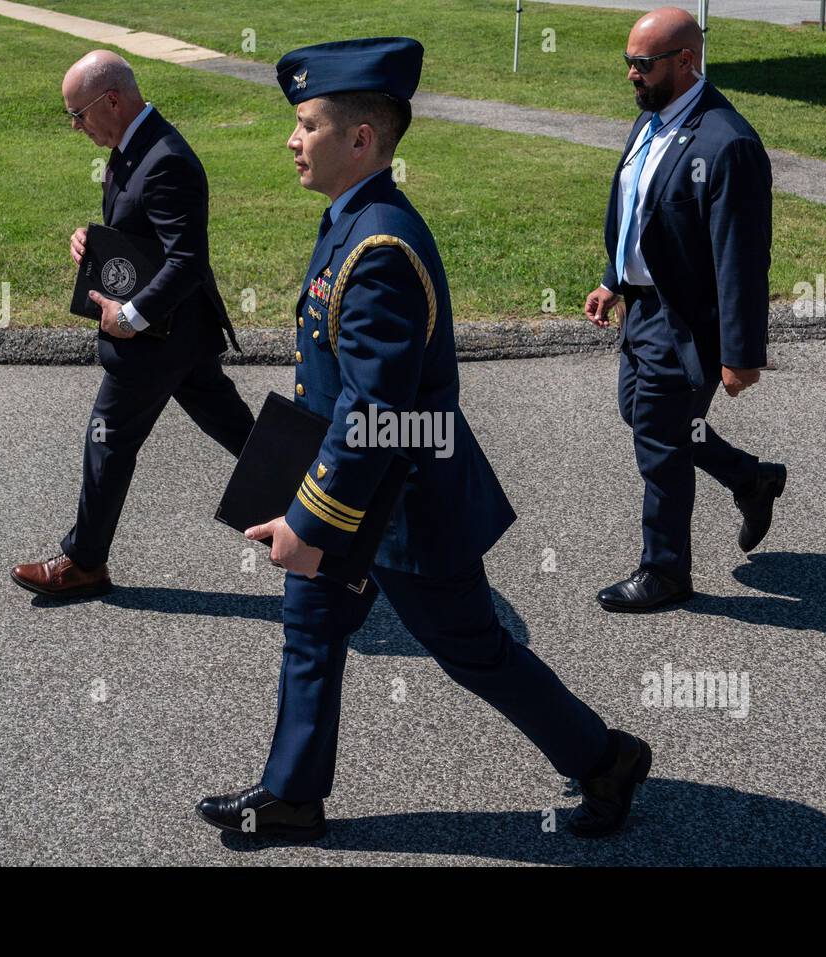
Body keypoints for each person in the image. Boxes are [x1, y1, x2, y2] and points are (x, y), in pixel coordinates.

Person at [195, 37, 651, 843]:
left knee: (473, 649)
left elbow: (378, 412)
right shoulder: (354, 220)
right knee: (309, 625)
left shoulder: (380, 250)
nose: (291, 139)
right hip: (344, 485)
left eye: (306, 124)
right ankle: (292, 792)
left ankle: (604, 756)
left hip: (403, 503)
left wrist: (308, 521)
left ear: (360, 139)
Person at [11, 51, 255, 599]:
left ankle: (83, 562)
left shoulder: (167, 159)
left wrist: (130, 315)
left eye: (78, 114)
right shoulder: (130, 147)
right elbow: (143, 234)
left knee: (108, 440)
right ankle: (338, 514)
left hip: (157, 340)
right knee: (236, 430)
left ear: (112, 101)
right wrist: (92, 242)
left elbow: (186, 260)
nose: (75, 127)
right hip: (183, 338)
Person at [583, 8, 787, 613]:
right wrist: (613, 280)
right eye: (628, 62)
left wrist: (741, 353)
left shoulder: (728, 143)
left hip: (688, 322)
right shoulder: (652, 122)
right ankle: (750, 478)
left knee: (659, 442)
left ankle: (665, 571)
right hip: (644, 310)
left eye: (642, 65)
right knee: (641, 414)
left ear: (686, 62)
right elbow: (639, 208)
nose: (630, 75)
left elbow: (742, 258)